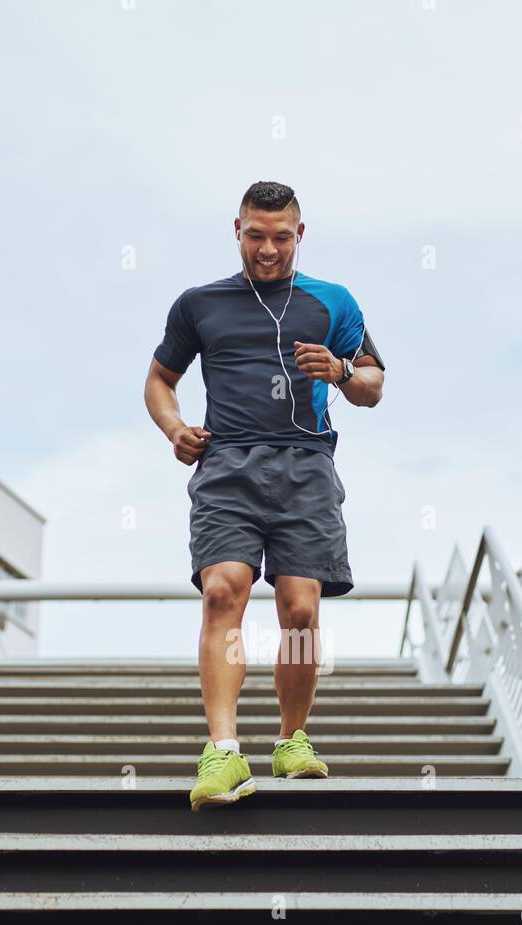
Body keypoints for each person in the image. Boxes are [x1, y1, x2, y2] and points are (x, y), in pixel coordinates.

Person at [144, 181, 385, 811]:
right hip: (227, 465)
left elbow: (373, 384)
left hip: (307, 465)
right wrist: (175, 429)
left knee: (301, 612)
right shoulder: (200, 304)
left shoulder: (333, 302)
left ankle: (291, 739)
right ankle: (223, 751)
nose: (269, 249)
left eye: (281, 237)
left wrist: (338, 371)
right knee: (224, 589)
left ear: (300, 234)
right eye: (256, 235)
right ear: (237, 230)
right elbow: (159, 380)